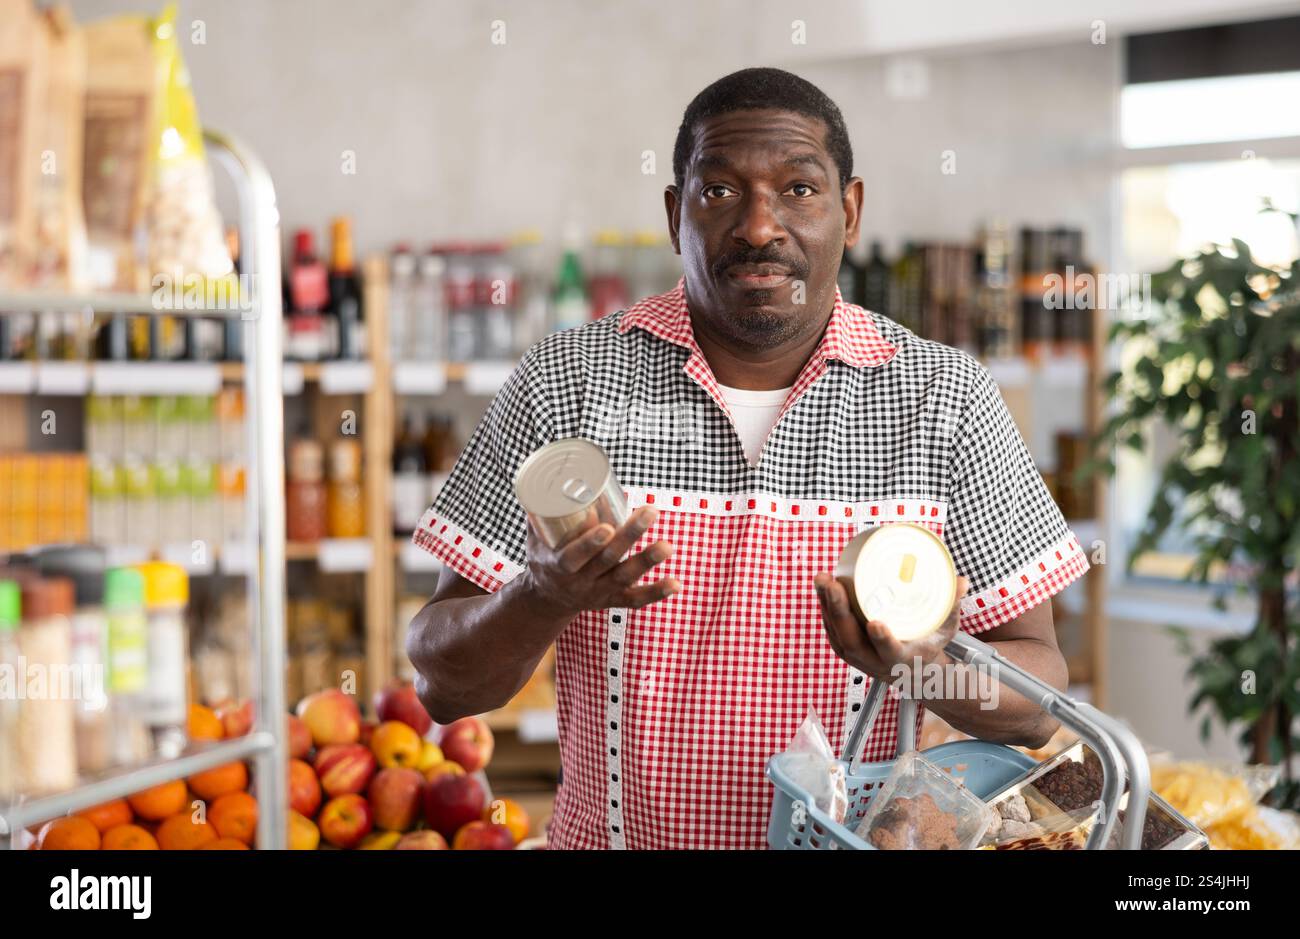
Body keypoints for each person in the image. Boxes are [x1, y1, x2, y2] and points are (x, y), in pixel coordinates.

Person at [406, 67, 1087, 849]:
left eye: (799, 189)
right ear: (675, 214)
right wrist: (541, 594)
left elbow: (1039, 702)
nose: (760, 226)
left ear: (850, 210)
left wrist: (922, 670)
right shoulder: (568, 382)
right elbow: (442, 683)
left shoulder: (944, 398)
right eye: (721, 191)